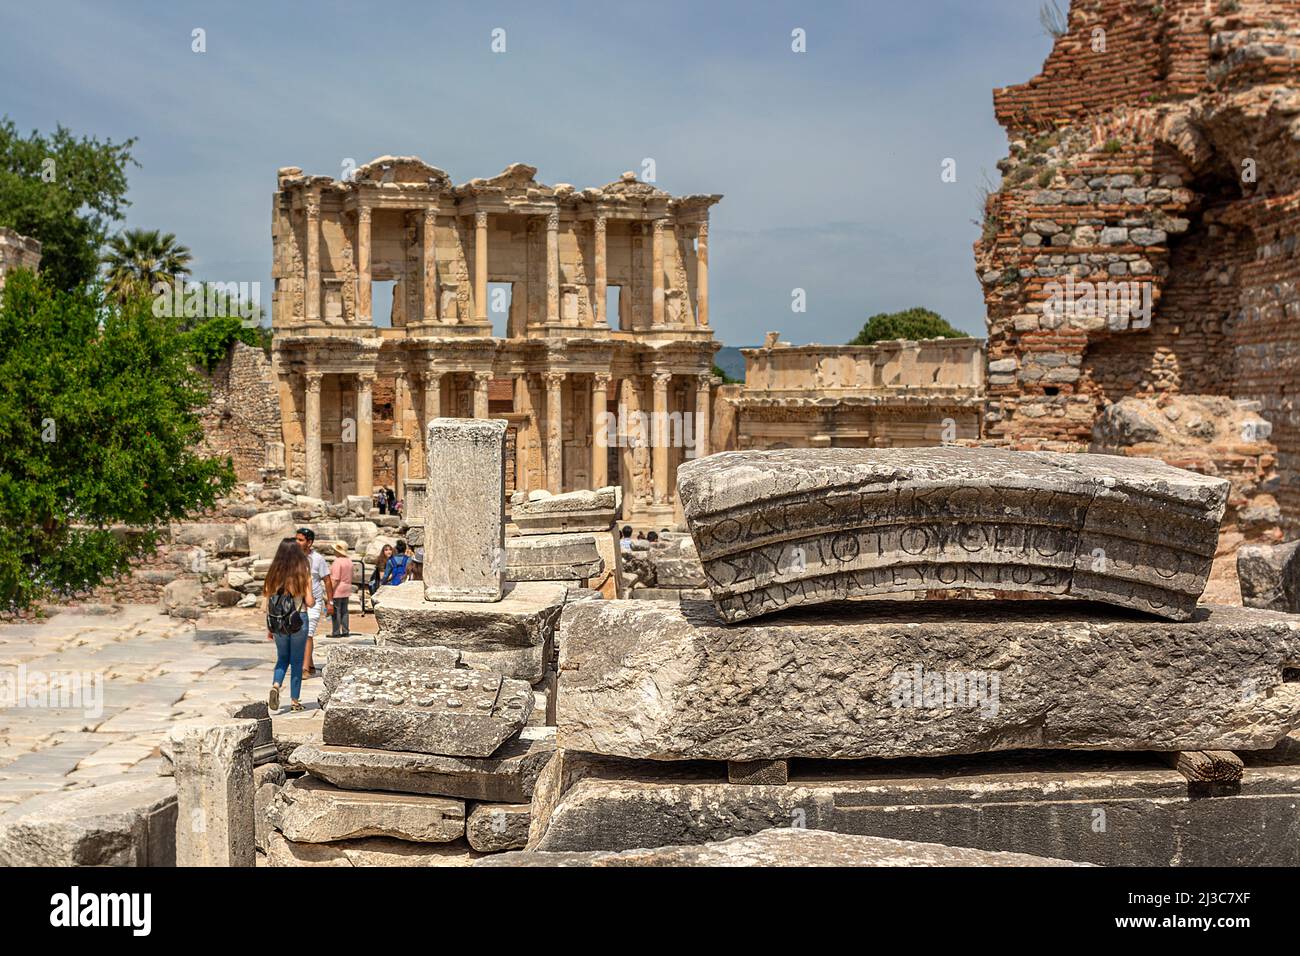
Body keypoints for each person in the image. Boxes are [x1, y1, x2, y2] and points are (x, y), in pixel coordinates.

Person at [263, 538, 314, 713]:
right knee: (297, 661)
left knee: (282, 658)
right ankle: (294, 701)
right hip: (298, 619)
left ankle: (276, 685)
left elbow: (268, 602)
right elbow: (310, 601)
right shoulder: (303, 573)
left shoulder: (273, 575)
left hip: (277, 621)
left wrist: (269, 628)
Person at [295, 527, 334, 677]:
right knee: (300, 633)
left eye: (300, 540)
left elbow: (327, 581)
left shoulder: (318, 559)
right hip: (297, 602)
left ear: (309, 542)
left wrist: (330, 602)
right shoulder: (293, 558)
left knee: (307, 634)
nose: (297, 542)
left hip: (314, 601)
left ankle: (304, 669)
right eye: (296, 539)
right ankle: (310, 665)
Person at [328, 541, 354, 638]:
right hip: (347, 588)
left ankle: (336, 632)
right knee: (344, 611)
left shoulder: (337, 562)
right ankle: (345, 630)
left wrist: (330, 590)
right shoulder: (349, 561)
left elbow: (335, 579)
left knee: (336, 611)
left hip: (337, 589)